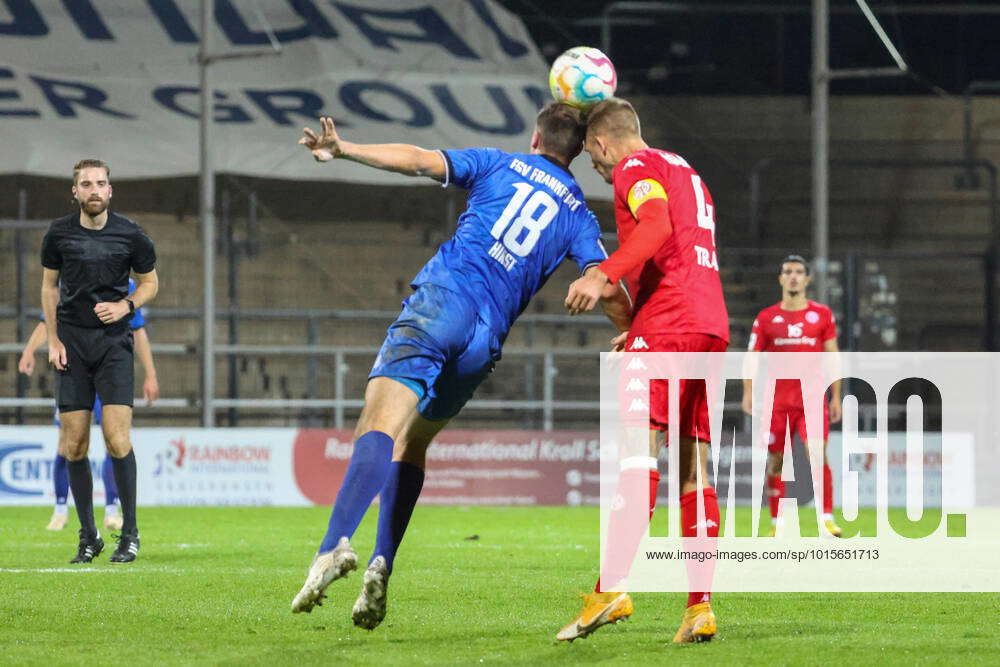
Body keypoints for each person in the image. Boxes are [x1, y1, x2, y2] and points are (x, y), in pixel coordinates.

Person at [290, 104, 631, 630]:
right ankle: (383, 560)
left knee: (379, 423)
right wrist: (633, 331)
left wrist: (346, 150)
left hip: (444, 302)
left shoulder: (498, 163)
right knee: (415, 442)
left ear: (535, 137)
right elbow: (606, 282)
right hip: (484, 341)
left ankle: (335, 543)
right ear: (579, 153)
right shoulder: (580, 216)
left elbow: (421, 161)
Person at [561, 97, 730, 643]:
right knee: (694, 469)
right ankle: (699, 606)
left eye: (591, 155)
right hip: (708, 323)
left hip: (671, 321)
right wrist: (640, 326)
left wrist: (602, 274)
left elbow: (655, 225)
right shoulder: (684, 168)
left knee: (637, 457)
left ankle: (611, 590)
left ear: (603, 142)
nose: (596, 166)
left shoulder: (635, 168)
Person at [40, 159, 159, 564]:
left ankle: (129, 533)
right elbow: (48, 287)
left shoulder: (131, 234)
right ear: (75, 191)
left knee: (116, 438)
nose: (94, 189)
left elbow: (151, 282)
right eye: (86, 183)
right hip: (71, 347)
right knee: (74, 444)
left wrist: (125, 305)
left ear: (110, 191)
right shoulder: (58, 233)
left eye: (101, 183)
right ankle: (88, 536)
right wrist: (53, 339)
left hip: (112, 345)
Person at [18, 277, 160, 532]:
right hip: (76, 372)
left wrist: (150, 373)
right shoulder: (69, 279)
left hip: (108, 374)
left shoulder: (124, 284)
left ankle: (112, 511)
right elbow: (48, 320)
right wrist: (29, 350)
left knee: (114, 440)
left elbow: (137, 329)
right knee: (68, 443)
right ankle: (60, 509)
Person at [741, 255, 843, 537]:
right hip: (776, 402)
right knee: (775, 462)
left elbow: (833, 356)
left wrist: (836, 396)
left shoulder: (821, 315)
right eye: (788, 272)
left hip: (811, 399)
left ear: (808, 279)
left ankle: (826, 520)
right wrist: (748, 392)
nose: (794, 276)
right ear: (781, 278)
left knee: (817, 455)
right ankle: (777, 524)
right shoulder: (766, 317)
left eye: (799, 272)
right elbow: (752, 357)